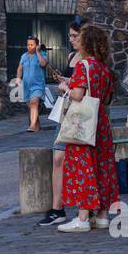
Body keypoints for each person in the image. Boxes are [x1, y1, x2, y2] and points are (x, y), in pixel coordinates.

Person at [56, 26, 120, 232]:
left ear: (86, 44)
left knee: (83, 166)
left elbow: (78, 94)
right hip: (101, 122)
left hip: (84, 123)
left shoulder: (83, 65)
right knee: (102, 167)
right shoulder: (104, 68)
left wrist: (66, 88)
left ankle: (82, 218)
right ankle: (102, 216)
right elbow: (108, 97)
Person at [36, 20, 83, 227]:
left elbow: (84, 88)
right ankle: (57, 208)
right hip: (65, 111)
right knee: (58, 157)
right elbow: (75, 81)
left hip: (81, 114)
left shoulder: (89, 60)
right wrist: (64, 80)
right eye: (70, 36)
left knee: (81, 160)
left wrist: (67, 86)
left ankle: (86, 207)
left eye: (74, 36)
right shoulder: (72, 57)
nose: (71, 40)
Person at [16, 36, 49, 132]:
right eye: (28, 45)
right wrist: (18, 79)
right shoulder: (24, 56)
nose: (29, 47)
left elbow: (43, 64)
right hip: (26, 86)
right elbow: (20, 68)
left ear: (37, 45)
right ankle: (37, 126)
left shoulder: (42, 54)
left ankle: (32, 125)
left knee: (34, 102)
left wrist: (38, 52)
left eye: (32, 45)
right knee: (31, 106)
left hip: (38, 85)